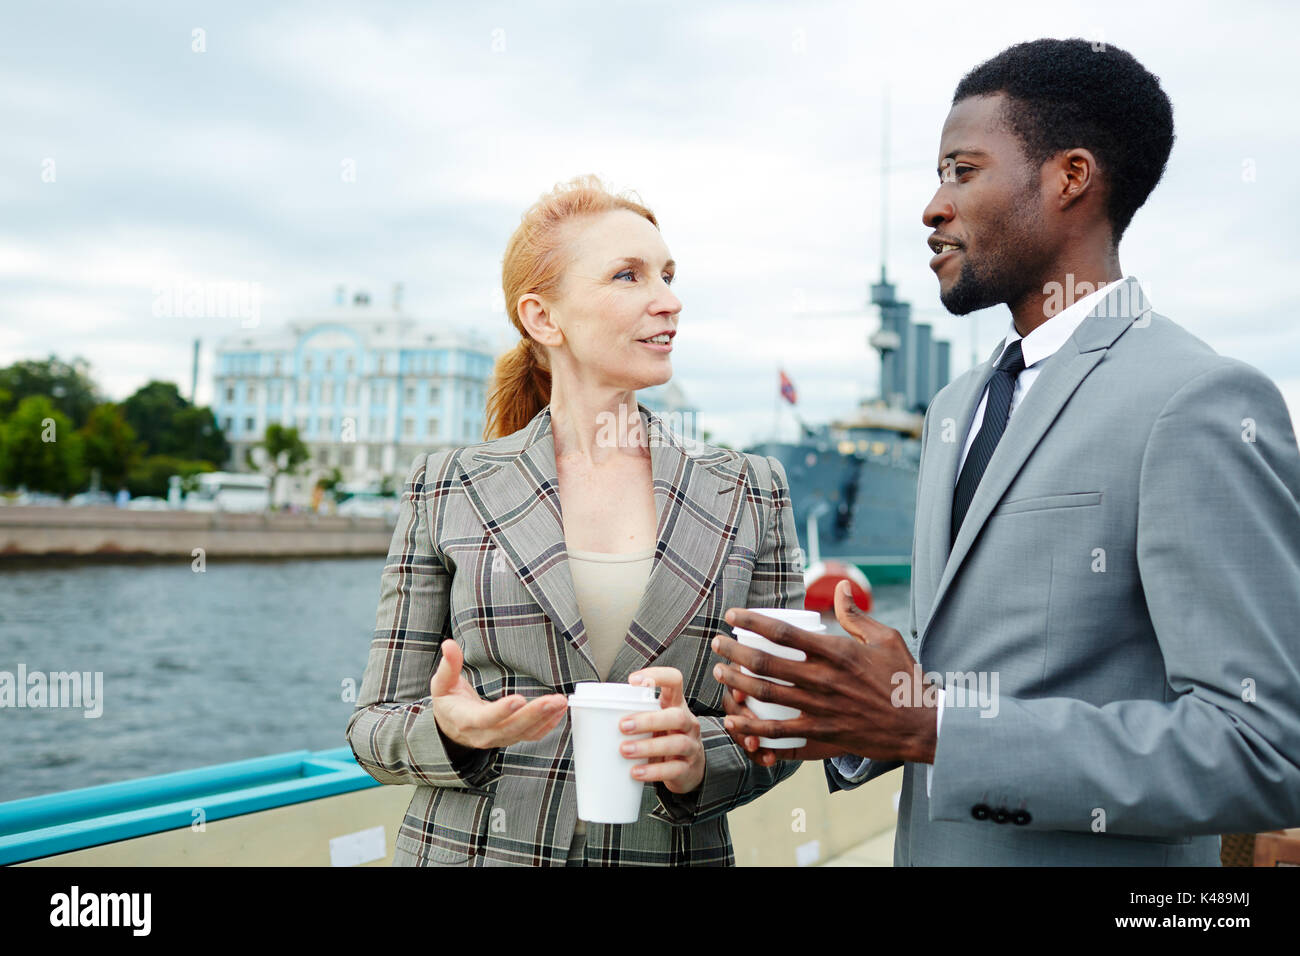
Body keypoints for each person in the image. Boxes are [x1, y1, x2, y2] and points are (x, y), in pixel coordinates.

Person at [711, 38, 1300, 865]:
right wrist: (841, 712)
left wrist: (932, 721)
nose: (932, 206)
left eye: (961, 170)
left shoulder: (1198, 401)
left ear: (1070, 178)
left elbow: (1266, 752)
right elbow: (958, 671)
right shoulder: (955, 408)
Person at [345, 175, 803, 866]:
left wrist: (697, 757)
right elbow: (374, 724)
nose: (669, 300)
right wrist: (453, 733)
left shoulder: (752, 490)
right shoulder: (446, 485)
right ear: (543, 318)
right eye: (629, 275)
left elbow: (782, 724)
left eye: (669, 275)